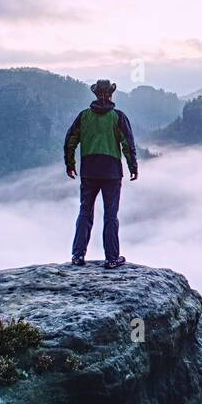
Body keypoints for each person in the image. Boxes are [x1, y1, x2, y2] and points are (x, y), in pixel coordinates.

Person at [64, 79, 139, 269]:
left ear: (96, 94)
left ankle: (77, 255)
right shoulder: (118, 117)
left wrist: (70, 164)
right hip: (111, 172)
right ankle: (112, 258)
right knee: (111, 215)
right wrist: (133, 167)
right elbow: (128, 144)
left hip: (89, 170)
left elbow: (70, 140)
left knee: (85, 211)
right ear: (111, 95)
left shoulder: (84, 116)